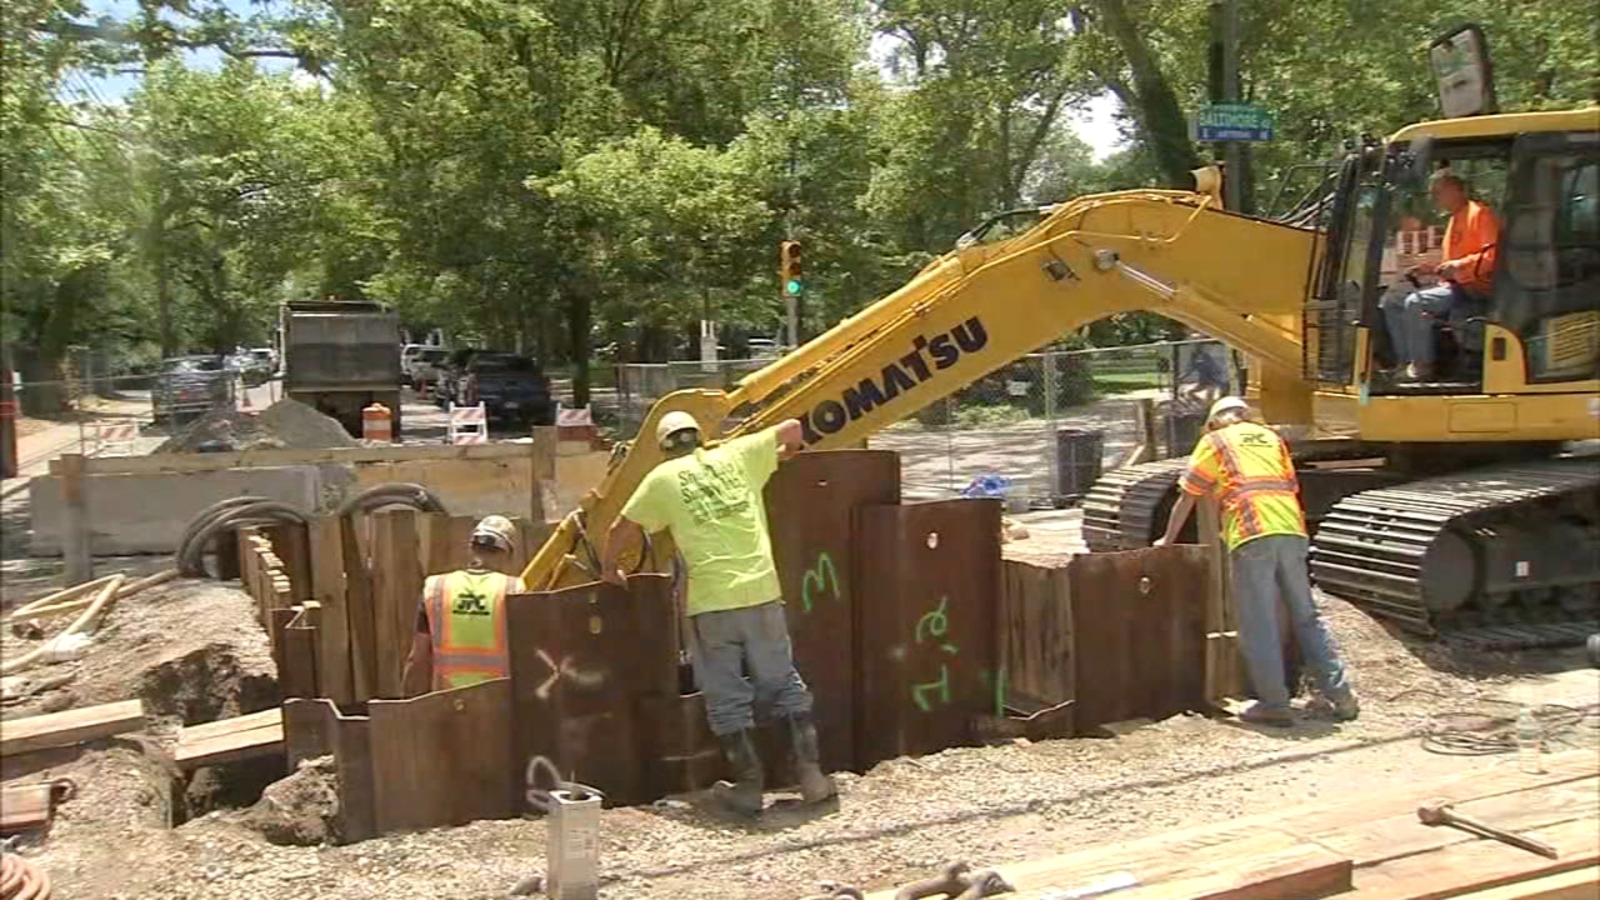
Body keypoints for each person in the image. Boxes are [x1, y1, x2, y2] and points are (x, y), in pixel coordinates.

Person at [601, 411, 834, 816]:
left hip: (712, 604)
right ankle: (812, 778)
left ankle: (748, 788)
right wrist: (785, 453)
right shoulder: (738, 454)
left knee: (726, 699)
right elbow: (793, 427)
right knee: (783, 684)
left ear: (664, 448)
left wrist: (609, 569)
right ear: (700, 437)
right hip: (762, 592)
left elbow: (619, 528)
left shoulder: (662, 479)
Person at [1153, 396, 1358, 727]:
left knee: (1258, 622)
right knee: (1306, 617)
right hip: (1291, 530)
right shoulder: (1271, 438)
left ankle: (1274, 704)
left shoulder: (1215, 441)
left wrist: (1168, 539)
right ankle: (1342, 697)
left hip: (1252, 533)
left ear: (1215, 421)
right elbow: (1289, 485)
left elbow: (1188, 494)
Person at [1380, 171, 1500, 381]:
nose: (1435, 198)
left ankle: (1422, 366)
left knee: (1416, 302)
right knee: (1392, 301)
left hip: (1473, 288)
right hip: (1454, 284)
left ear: (1457, 190)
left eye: (1439, 192)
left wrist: (1458, 265)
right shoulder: (1455, 219)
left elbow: (1492, 255)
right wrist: (1428, 268)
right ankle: (1405, 361)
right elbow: (1452, 260)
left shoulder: (1480, 214)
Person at [402, 515, 527, 696]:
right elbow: (528, 658)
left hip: (447, 701)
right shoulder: (514, 589)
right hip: (497, 701)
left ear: (471, 548)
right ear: (508, 554)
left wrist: (405, 705)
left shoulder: (437, 588)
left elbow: (418, 658)